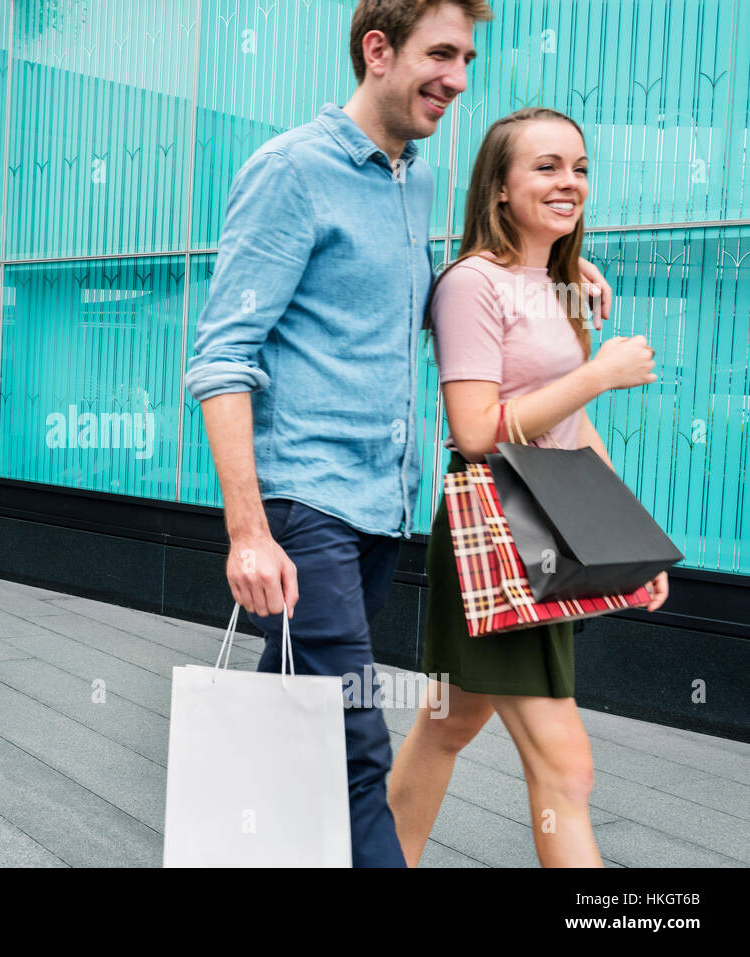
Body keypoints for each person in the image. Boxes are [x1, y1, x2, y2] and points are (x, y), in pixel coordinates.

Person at [183, 0, 616, 867]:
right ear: (377, 51)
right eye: (442, 54)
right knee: (354, 745)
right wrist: (248, 529)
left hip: (383, 507)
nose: (459, 78)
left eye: (466, 58)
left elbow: (436, 306)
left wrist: (551, 272)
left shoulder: (408, 175)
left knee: (297, 728)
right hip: (307, 505)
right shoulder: (291, 170)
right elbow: (222, 357)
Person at [386, 108, 669, 867]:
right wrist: (597, 375)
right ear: (500, 188)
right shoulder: (471, 285)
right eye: (545, 167)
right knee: (566, 763)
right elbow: (476, 429)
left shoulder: (558, 284)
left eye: (578, 167)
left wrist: (631, 540)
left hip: (543, 536)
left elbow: (570, 428)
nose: (568, 181)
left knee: (447, 725)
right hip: (499, 535)